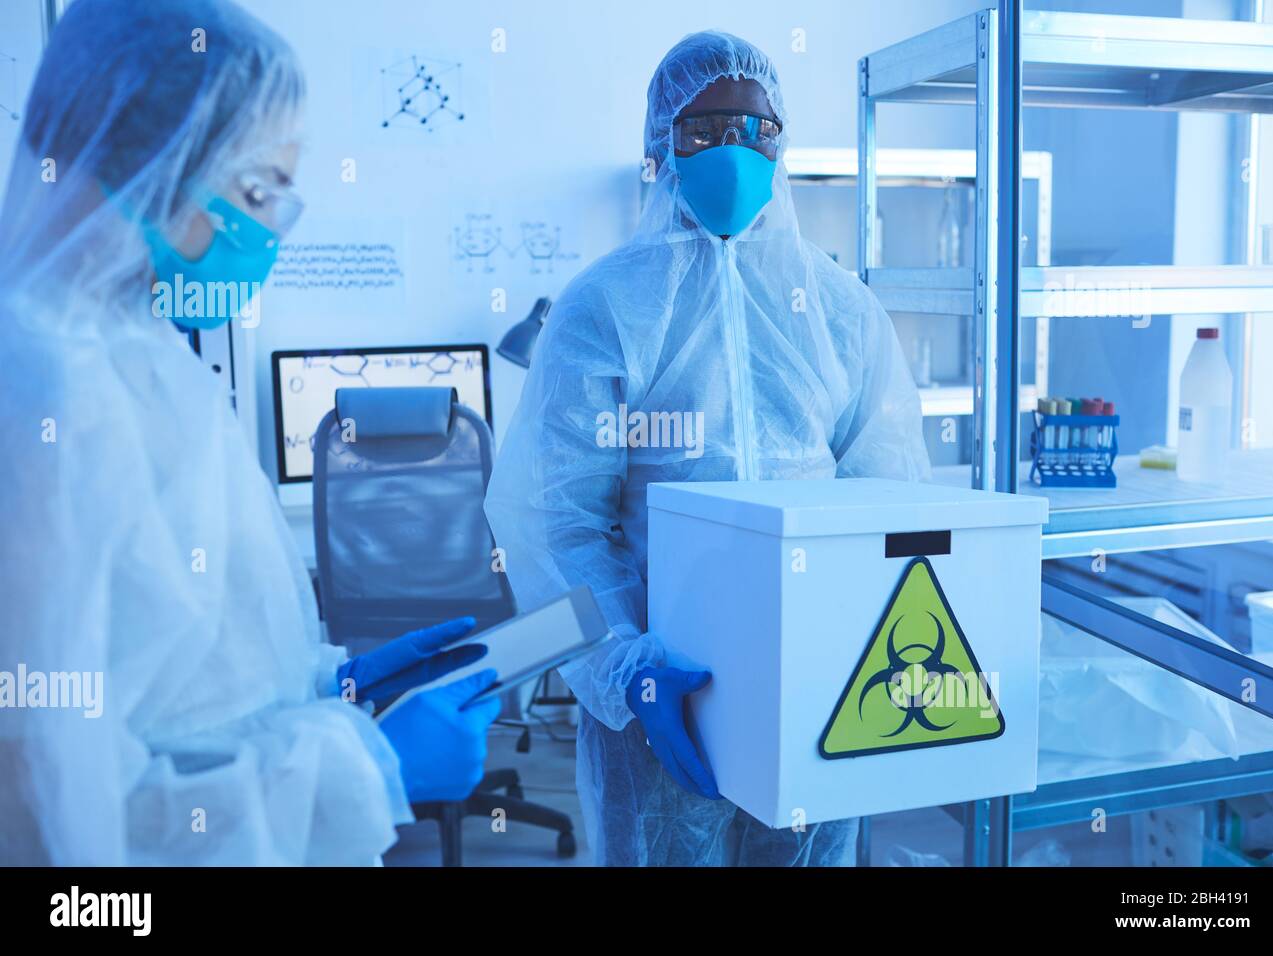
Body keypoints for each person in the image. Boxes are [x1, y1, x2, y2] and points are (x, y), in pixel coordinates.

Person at [0, 0, 498, 866]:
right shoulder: (44, 394)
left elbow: (194, 671)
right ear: (150, 152)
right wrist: (369, 762)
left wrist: (334, 687)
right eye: (257, 188)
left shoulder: (150, 356)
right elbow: (53, 819)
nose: (268, 229)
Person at [485, 31, 930, 866]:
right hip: (661, 691)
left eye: (755, 129)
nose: (734, 151)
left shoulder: (838, 309)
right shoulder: (606, 309)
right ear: (661, 145)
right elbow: (554, 522)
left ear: (782, 142)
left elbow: (888, 494)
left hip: (818, 678)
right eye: (705, 130)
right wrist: (626, 667)